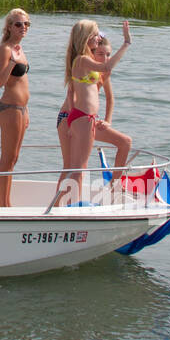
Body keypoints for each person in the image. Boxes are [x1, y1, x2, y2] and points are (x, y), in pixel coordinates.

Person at [53, 20, 132, 206]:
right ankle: (71, 207)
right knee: (77, 169)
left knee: (79, 167)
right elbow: (106, 67)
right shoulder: (81, 60)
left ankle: (110, 189)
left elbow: (103, 84)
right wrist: (126, 44)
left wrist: (106, 120)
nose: (99, 37)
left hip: (86, 118)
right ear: (86, 37)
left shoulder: (85, 61)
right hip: (80, 117)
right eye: (95, 35)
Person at [0, 8, 31, 207]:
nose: (23, 27)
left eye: (26, 24)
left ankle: (7, 203)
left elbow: (22, 82)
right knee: (7, 159)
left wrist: (27, 110)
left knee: (14, 159)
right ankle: (3, 205)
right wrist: (11, 64)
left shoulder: (19, 48)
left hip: (20, 110)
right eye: (18, 24)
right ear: (9, 27)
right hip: (9, 108)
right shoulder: (6, 49)